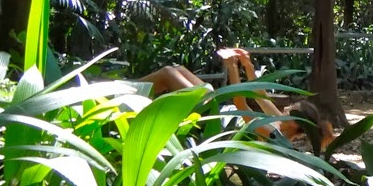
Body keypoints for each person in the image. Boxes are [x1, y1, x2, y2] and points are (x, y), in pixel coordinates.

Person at [140, 47, 335, 148]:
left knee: (167, 73)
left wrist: (232, 67)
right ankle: (131, 87)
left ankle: (129, 90)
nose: (285, 109)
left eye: (290, 110)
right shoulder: (281, 123)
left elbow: (241, 104)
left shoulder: (274, 135)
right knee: (178, 70)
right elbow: (261, 96)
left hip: (212, 121)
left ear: (295, 123)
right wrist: (247, 63)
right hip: (217, 109)